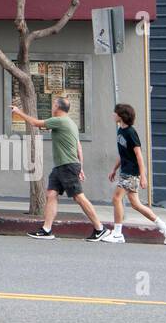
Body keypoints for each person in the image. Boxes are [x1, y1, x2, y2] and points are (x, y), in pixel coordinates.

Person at [12, 98, 111, 241]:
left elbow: (35, 123)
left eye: (53, 104)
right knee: (51, 194)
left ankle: (100, 228)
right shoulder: (71, 123)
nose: (52, 106)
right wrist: (80, 167)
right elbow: (79, 147)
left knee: (79, 197)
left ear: (57, 106)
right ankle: (47, 230)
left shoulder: (60, 121)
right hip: (62, 166)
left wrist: (18, 112)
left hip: (67, 165)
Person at [106, 104, 166, 244]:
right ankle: (164, 226)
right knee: (136, 205)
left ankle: (118, 233)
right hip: (125, 170)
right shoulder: (120, 131)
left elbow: (138, 154)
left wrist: (143, 176)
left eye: (115, 113)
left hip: (131, 172)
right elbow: (124, 154)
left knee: (116, 198)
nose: (113, 114)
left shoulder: (131, 132)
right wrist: (114, 168)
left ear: (122, 115)